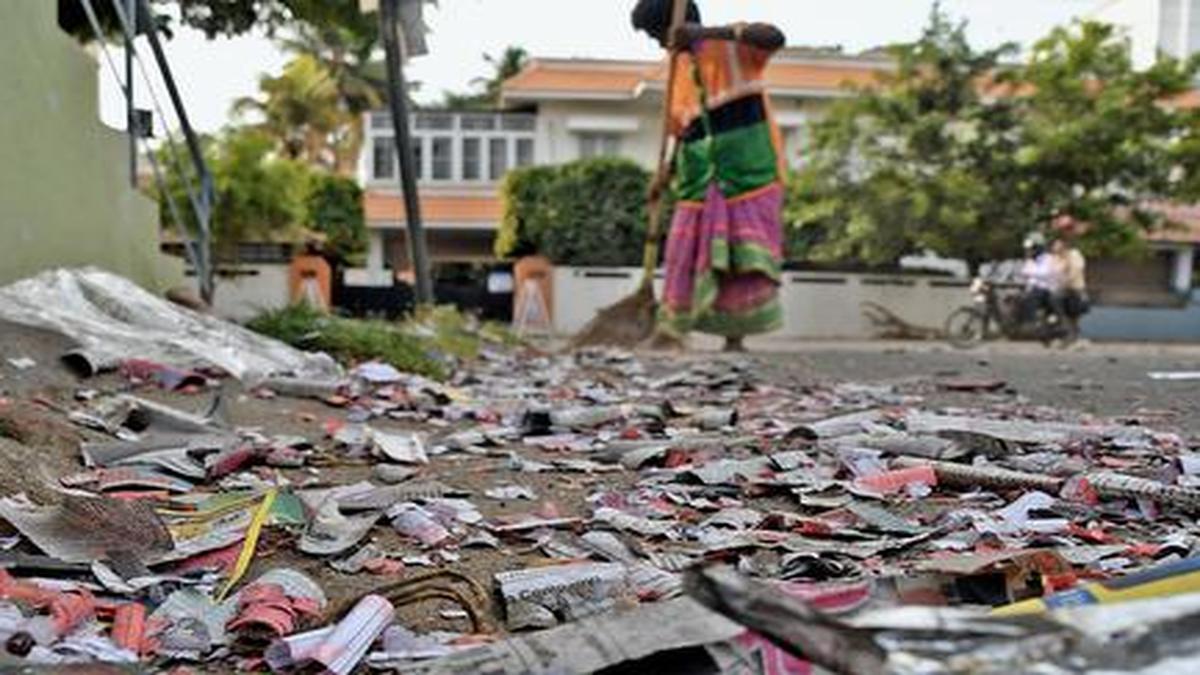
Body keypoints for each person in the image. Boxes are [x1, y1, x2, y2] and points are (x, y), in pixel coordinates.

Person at [632, 0, 787, 352]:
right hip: (697, 179)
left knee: (740, 261)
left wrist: (705, 33)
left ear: (675, 26)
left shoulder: (734, 48)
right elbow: (680, 130)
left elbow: (775, 36)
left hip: (749, 175)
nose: (659, 43)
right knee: (681, 255)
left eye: (658, 34)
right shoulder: (676, 71)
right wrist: (664, 174)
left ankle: (735, 337)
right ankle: (670, 331)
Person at [1050, 222, 1089, 334]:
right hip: (1061, 288)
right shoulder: (1055, 258)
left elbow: (1075, 272)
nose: (1055, 248)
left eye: (1057, 245)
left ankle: (1070, 332)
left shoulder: (1073, 254)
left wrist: (1064, 282)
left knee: (1059, 302)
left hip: (1074, 289)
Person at [1018, 232, 1063, 327]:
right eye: (1028, 249)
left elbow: (1045, 273)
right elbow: (1023, 272)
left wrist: (1030, 274)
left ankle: (1033, 322)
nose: (1029, 251)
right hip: (1033, 289)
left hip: (1047, 290)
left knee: (1033, 295)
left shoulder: (1048, 259)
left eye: (1031, 249)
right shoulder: (1030, 261)